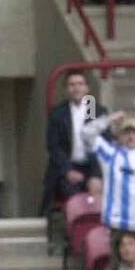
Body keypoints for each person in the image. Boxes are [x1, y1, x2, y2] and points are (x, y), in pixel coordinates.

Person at [43, 69, 106, 213]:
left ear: (87, 87)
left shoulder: (94, 109)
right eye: (71, 84)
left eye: (80, 84)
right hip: (68, 167)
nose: (76, 88)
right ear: (66, 89)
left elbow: (103, 143)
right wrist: (67, 170)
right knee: (73, 195)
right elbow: (53, 146)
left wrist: (96, 175)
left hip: (92, 166)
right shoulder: (59, 113)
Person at [82, 110, 135, 236]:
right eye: (126, 132)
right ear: (119, 135)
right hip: (116, 223)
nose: (130, 136)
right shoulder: (110, 154)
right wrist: (108, 119)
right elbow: (86, 133)